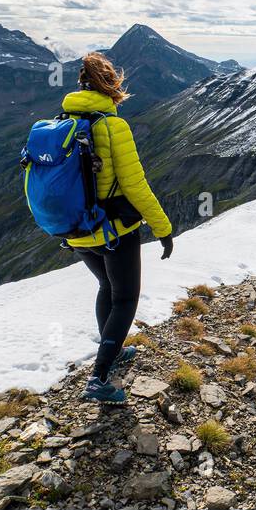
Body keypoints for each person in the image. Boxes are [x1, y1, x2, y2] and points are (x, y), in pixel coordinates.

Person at [64, 52, 174, 404]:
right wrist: (163, 228)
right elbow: (136, 186)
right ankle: (98, 377)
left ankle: (112, 351)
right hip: (114, 232)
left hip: (76, 230)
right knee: (125, 298)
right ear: (111, 87)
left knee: (105, 286)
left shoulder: (61, 123)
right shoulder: (113, 127)